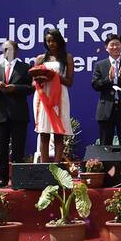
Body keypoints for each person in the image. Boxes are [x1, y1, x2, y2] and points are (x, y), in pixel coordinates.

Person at [0, 40, 33, 188]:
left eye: (10, 49)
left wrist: (15, 88)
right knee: (1, 149)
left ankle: (18, 180)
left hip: (19, 114)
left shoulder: (25, 68)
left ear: (16, 51)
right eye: (4, 50)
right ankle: (3, 179)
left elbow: (31, 89)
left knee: (18, 149)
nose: (7, 52)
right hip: (1, 114)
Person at [32, 28, 74, 163]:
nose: (51, 43)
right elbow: (33, 81)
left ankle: (56, 166)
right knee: (43, 133)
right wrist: (41, 78)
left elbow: (69, 81)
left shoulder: (67, 58)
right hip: (43, 96)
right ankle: (44, 167)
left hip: (60, 97)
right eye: (48, 41)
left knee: (58, 133)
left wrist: (54, 76)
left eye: (54, 41)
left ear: (59, 41)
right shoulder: (40, 58)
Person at [91, 33, 121, 146]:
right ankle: (105, 164)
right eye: (112, 45)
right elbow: (95, 85)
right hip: (106, 109)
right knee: (105, 145)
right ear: (106, 48)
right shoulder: (100, 65)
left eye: (117, 44)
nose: (115, 47)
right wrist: (109, 79)